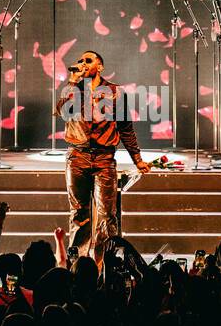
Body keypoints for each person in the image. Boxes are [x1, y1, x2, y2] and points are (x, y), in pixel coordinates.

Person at [54, 50, 152, 269]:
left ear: (100, 66)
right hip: (77, 157)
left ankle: (104, 266)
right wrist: (72, 82)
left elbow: (126, 128)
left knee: (107, 216)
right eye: (80, 60)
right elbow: (63, 112)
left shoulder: (115, 93)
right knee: (79, 212)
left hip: (104, 159)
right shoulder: (73, 90)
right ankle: (77, 266)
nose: (82, 63)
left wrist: (137, 160)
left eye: (88, 60)